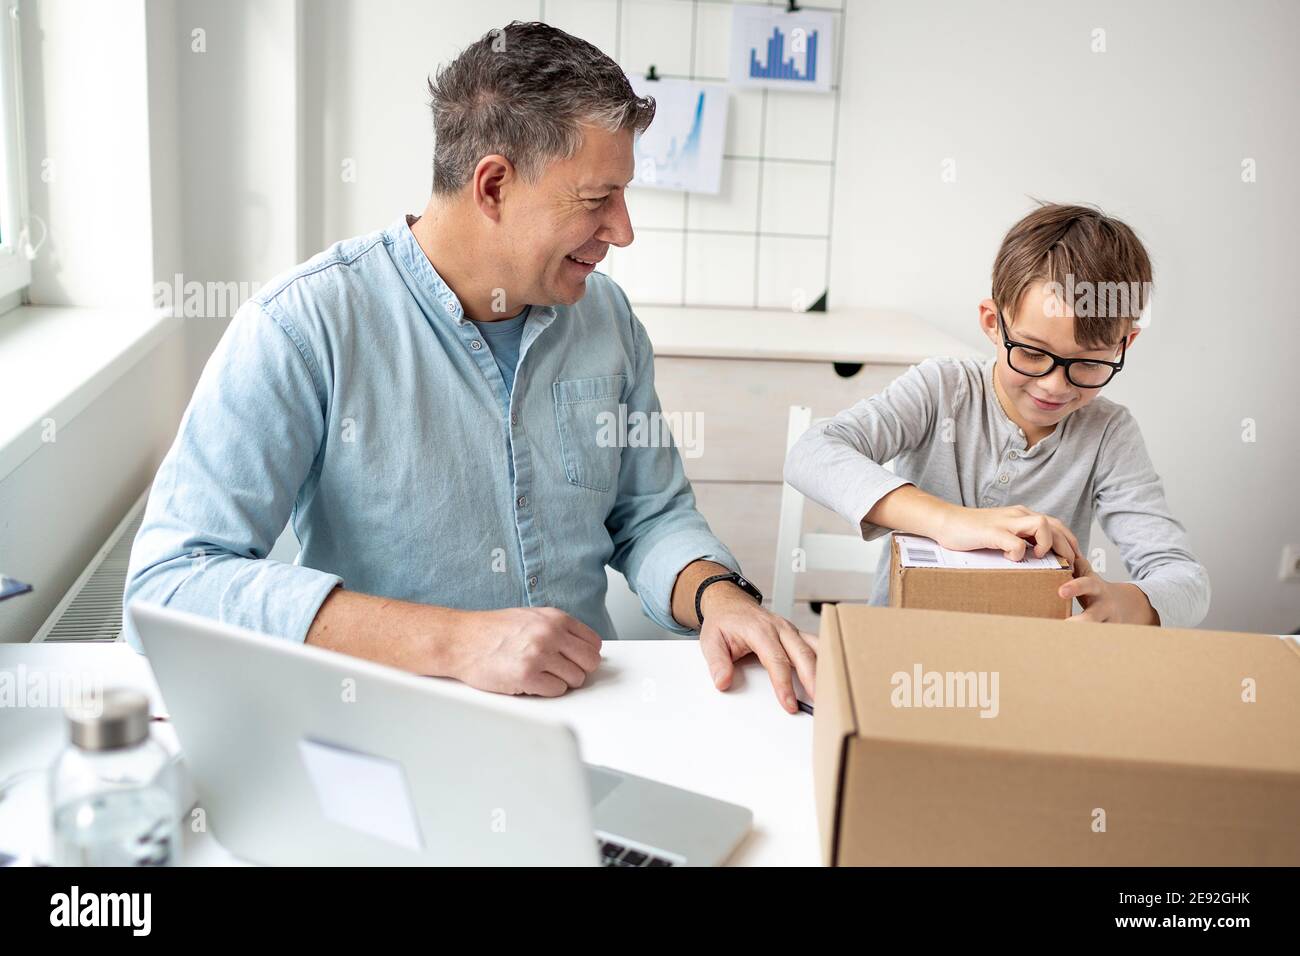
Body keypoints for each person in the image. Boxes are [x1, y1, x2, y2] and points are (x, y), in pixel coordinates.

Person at [124, 22, 816, 712]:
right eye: (597, 198)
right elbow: (166, 586)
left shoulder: (606, 320)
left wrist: (718, 596)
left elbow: (649, 515)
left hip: (589, 713)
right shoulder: (303, 326)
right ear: (493, 186)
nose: (623, 230)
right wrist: (453, 643)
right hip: (385, 721)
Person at [784, 203, 1209, 626]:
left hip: (1028, 663)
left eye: (1089, 363)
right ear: (993, 323)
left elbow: (1186, 581)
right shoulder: (942, 389)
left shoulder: (1109, 435)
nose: (1054, 385)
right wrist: (949, 520)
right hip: (902, 650)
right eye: (1030, 352)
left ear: (1124, 345)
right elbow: (811, 453)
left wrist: (1129, 603)